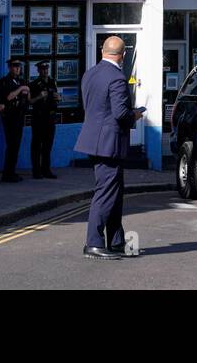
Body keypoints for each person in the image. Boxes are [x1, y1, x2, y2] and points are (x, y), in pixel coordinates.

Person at [74, 36, 144, 259]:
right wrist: (135, 114)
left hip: (94, 140)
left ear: (102, 51)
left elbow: (91, 106)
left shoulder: (90, 73)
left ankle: (115, 240)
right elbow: (120, 113)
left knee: (114, 192)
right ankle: (93, 243)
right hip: (109, 143)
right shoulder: (117, 78)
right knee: (105, 194)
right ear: (122, 56)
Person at [0, 58, 30, 181]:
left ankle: (12, 171)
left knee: (16, 146)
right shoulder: (4, 81)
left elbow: (28, 97)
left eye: (18, 66)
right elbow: (9, 97)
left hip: (19, 116)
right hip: (9, 117)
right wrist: (21, 89)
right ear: (10, 68)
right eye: (15, 66)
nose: (17, 69)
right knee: (11, 145)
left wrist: (27, 90)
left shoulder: (20, 81)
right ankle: (7, 173)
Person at [29, 60, 59, 179]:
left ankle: (46, 170)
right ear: (38, 71)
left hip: (50, 117)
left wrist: (58, 98)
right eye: (42, 69)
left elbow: (55, 96)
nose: (45, 71)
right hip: (39, 118)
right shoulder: (34, 84)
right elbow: (30, 101)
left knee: (47, 146)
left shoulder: (52, 82)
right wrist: (39, 96)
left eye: (46, 69)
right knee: (37, 145)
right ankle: (36, 171)